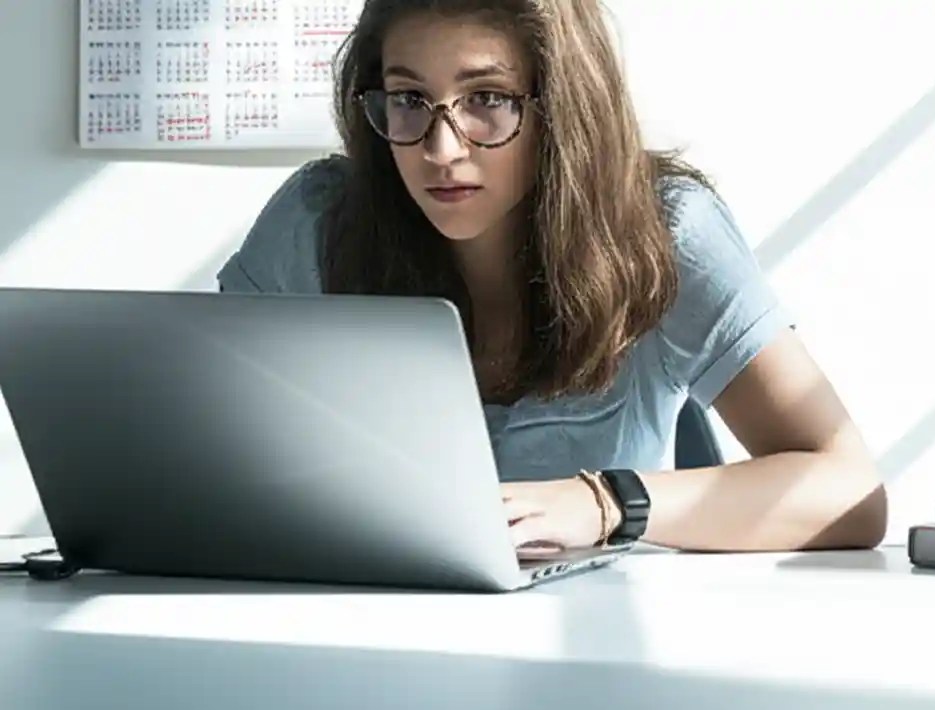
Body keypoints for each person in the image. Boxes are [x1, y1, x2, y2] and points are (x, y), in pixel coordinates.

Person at [218, 0, 886, 556]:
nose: (441, 149)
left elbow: (847, 489)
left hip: (596, 656)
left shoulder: (665, 231)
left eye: (487, 99)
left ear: (562, 107)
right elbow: (196, 459)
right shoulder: (315, 222)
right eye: (408, 99)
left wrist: (604, 503)